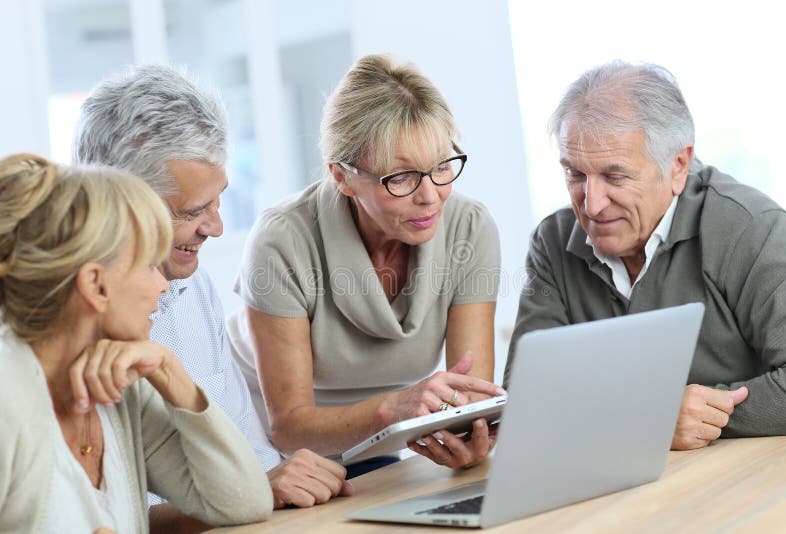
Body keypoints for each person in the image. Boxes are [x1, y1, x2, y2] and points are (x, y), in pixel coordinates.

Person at [72, 64, 351, 523]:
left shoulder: (190, 282)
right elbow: (116, 517)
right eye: (192, 211)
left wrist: (286, 481)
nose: (216, 228)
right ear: (120, 206)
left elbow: (251, 456)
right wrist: (254, 491)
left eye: (218, 199)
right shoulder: (72, 334)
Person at [227, 53, 505, 474]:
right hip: (258, 440)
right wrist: (395, 409)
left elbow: (471, 395)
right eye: (402, 177)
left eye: (441, 166)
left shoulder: (469, 227)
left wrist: (469, 436)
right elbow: (288, 426)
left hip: (377, 438)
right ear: (342, 177)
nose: (430, 196)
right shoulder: (281, 240)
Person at [505, 60, 786, 450]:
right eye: (575, 174)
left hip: (741, 484)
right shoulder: (554, 240)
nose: (591, 205)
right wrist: (650, 418)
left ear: (678, 166)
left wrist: (688, 419)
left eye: (614, 176)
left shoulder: (747, 225)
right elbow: (524, 400)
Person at [0, 154, 271, 533]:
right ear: (96, 285)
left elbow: (245, 502)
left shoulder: (122, 388)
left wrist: (169, 371)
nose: (162, 285)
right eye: (148, 265)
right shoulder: (8, 401)